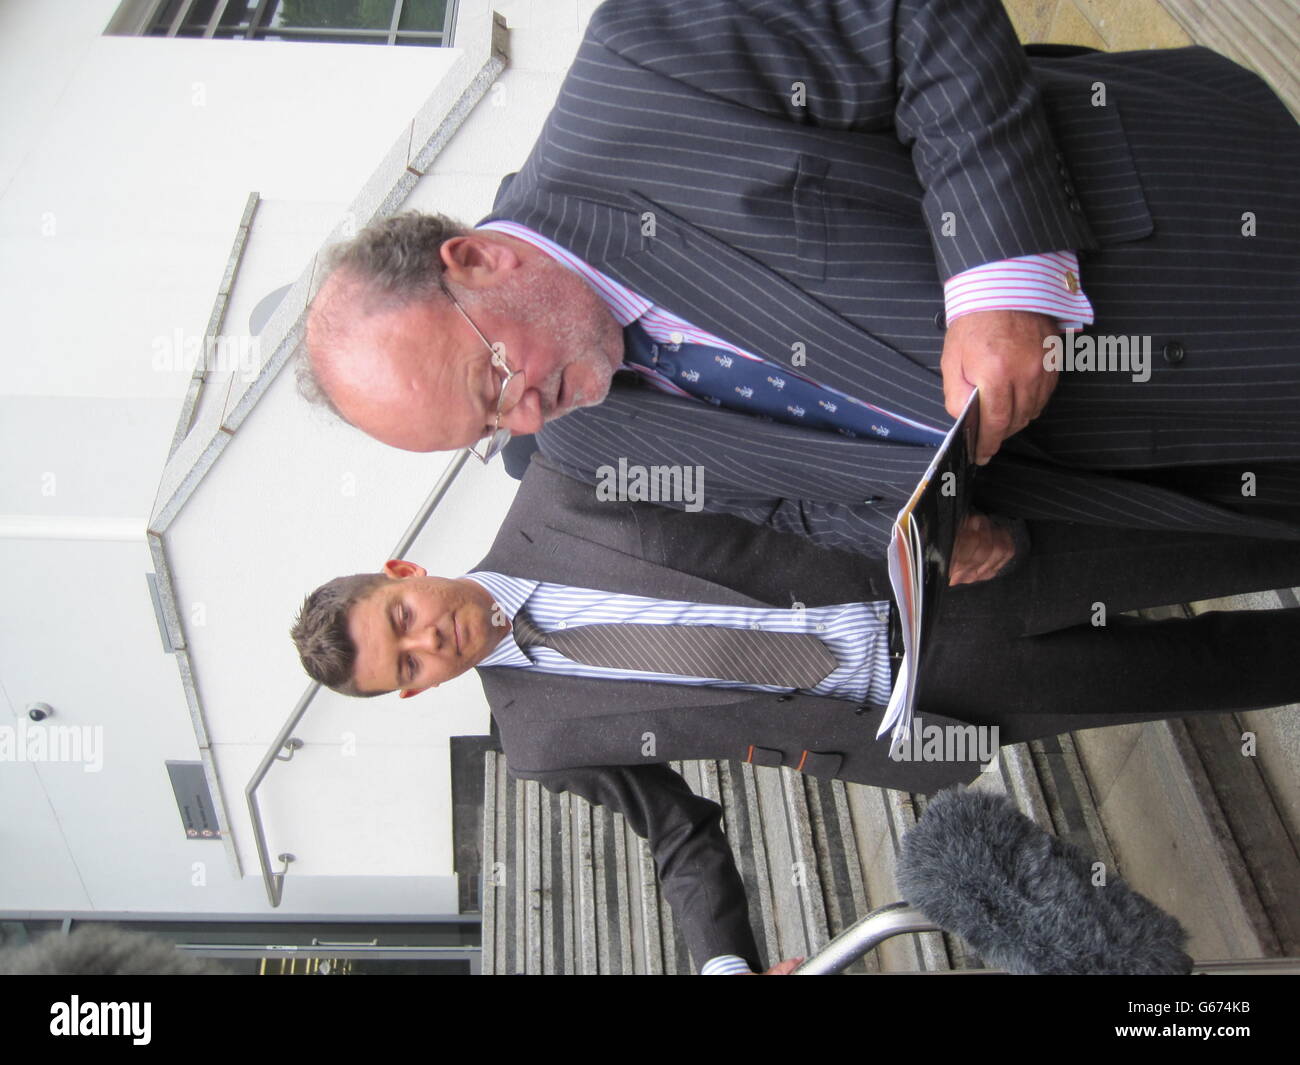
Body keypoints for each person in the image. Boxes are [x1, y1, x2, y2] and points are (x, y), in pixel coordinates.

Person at [301, 0, 1300, 569]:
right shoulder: (581, 435)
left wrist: (998, 275)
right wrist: (907, 540)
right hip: (1164, 460)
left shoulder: (640, 66)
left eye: (491, 382)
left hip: (1199, 254)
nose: (523, 419)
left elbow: (919, 21)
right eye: (488, 434)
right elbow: (781, 503)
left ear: (478, 261)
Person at [291, 456, 1300, 973]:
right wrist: (722, 961)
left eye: (407, 620)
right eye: (409, 664)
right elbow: (677, 834)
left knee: (1233, 544)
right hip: (928, 710)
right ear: (415, 691)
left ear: (403, 572)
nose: (433, 642)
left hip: (944, 574)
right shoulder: (540, 743)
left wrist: (927, 506)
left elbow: (764, 463)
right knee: (1207, 668)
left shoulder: (569, 478)